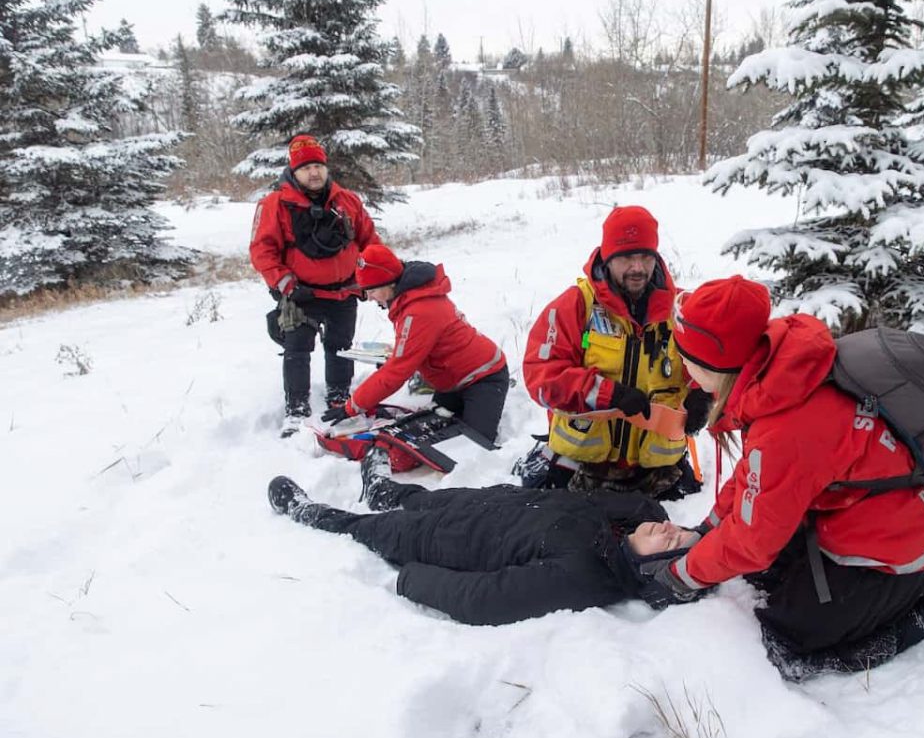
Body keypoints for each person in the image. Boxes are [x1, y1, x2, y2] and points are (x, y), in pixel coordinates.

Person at [638, 276, 924, 679]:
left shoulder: (786, 427)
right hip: (884, 522)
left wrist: (680, 577)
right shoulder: (781, 372)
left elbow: (754, 540)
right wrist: (709, 528)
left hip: (896, 557)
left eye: (687, 359)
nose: (683, 369)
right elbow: (756, 477)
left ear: (712, 363)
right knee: (763, 573)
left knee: (790, 640)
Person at [265, 461, 700, 625]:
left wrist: (412, 578)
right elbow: (634, 505)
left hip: (446, 541)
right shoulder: (625, 530)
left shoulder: (584, 577)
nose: (668, 531)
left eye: (670, 543)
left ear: (652, 573)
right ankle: (383, 488)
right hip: (487, 503)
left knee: (366, 528)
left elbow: (482, 601)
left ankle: (308, 512)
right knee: (419, 497)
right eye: (678, 530)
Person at [521, 205, 711, 498]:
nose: (637, 267)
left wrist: (704, 395)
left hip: (660, 475)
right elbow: (541, 378)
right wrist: (609, 395)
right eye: (626, 257)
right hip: (581, 468)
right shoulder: (576, 305)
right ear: (607, 257)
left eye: (645, 256)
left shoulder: (683, 311)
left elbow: (720, 367)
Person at [250, 134, 381, 437]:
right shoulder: (274, 205)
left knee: (341, 348)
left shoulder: (347, 200)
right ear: (293, 171)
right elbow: (262, 251)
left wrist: (375, 278)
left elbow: (370, 243)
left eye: (318, 166)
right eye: (306, 167)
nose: (314, 173)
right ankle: (296, 409)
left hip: (344, 291)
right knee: (297, 349)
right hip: (301, 294)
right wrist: (286, 285)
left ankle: (338, 398)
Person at [320, 244, 509, 444]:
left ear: (389, 283)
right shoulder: (409, 298)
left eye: (372, 290)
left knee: (473, 444)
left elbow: (396, 372)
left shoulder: (418, 310)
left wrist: (353, 406)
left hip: (484, 378)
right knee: (431, 429)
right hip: (452, 382)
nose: (369, 297)